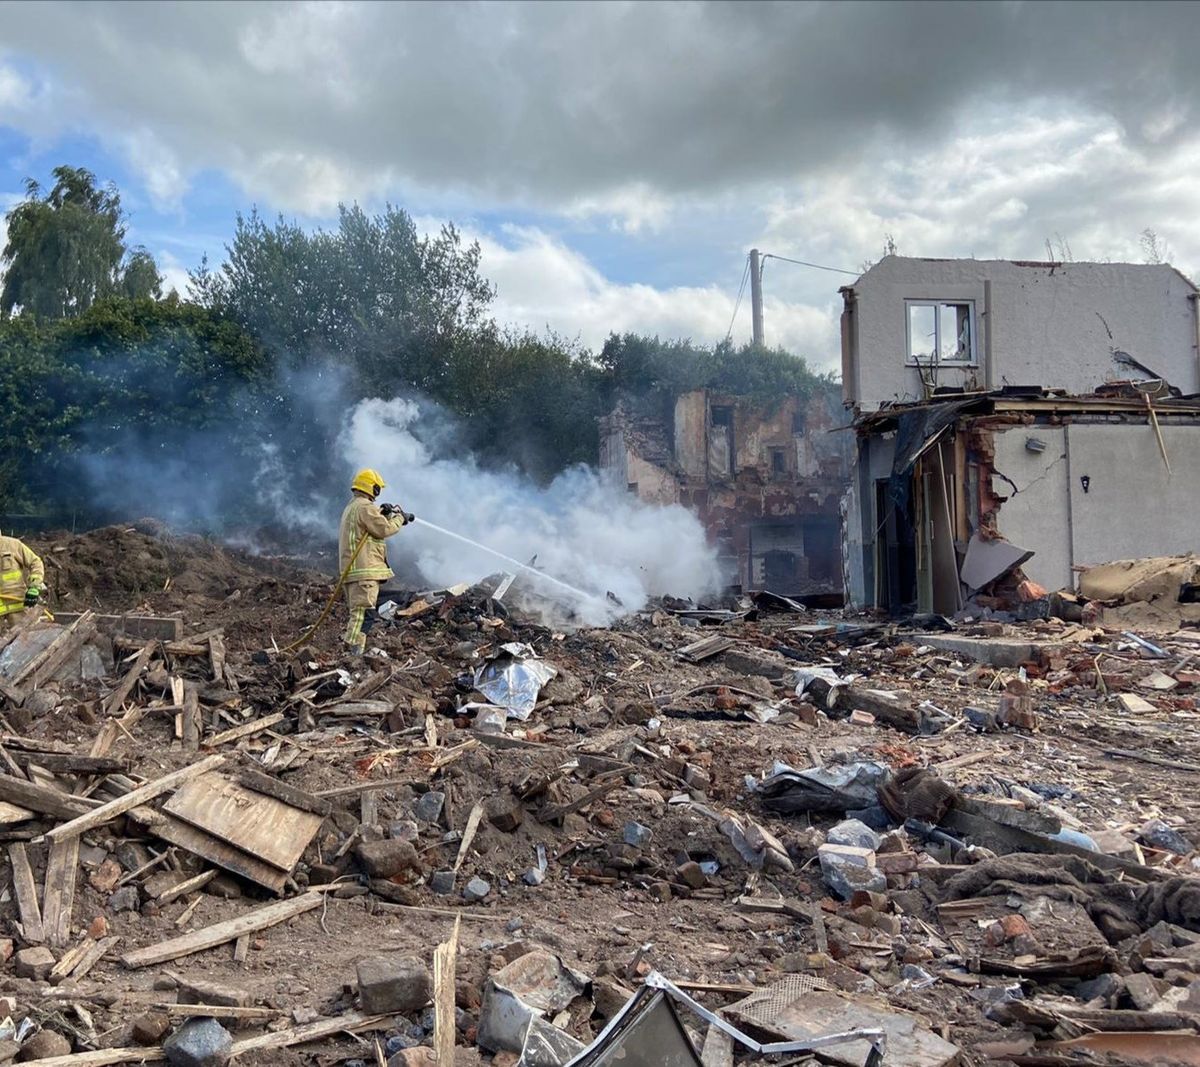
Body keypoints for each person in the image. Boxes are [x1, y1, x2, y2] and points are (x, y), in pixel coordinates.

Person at [338, 468, 412, 655]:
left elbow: (369, 528)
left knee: (360, 614)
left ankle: (352, 651)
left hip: (354, 571)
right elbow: (383, 530)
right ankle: (352, 655)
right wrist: (399, 519)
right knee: (363, 616)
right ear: (373, 488)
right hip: (364, 571)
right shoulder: (365, 507)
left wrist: (384, 513)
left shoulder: (353, 507)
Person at [0, 534, 45, 629]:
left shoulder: (12, 545)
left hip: (17, 605)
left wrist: (34, 586)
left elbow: (35, 562)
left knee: (29, 638)